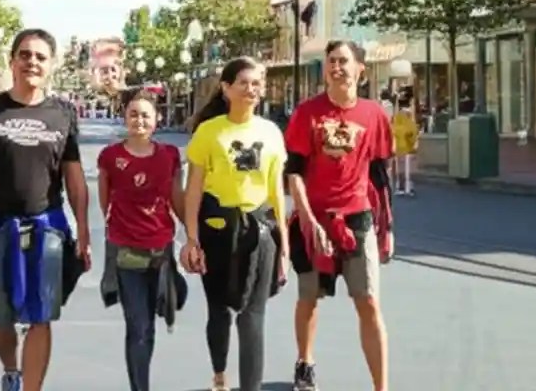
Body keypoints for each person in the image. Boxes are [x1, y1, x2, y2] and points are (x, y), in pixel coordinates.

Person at [0, 29, 91, 391]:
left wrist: (84, 232)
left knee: (41, 316)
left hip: (48, 224)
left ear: (51, 65)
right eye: (25, 54)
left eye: (40, 57)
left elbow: (75, 180)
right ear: (12, 60)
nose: (32, 62)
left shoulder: (63, 114)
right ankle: (11, 369)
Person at [284, 40, 394, 391]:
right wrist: (306, 219)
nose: (337, 68)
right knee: (310, 297)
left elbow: (379, 173)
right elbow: (294, 171)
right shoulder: (307, 113)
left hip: (357, 218)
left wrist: (386, 226)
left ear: (360, 68)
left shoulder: (374, 114)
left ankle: (381, 386)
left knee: (369, 301)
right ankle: (305, 362)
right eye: (331, 61)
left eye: (344, 61)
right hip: (313, 218)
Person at [182, 57, 289, 391]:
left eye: (256, 82)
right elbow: (194, 188)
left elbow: (276, 192)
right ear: (226, 88)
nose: (251, 89)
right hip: (217, 229)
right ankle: (219, 376)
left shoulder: (270, 132)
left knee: (253, 316)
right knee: (219, 310)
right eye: (243, 82)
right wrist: (191, 238)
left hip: (259, 231)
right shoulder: (209, 133)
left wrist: (284, 244)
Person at [97, 89, 187, 391]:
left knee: (154, 323)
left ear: (156, 119)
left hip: (161, 252)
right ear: (125, 117)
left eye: (146, 114)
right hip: (126, 253)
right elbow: (104, 202)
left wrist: (194, 237)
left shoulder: (170, 156)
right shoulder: (111, 156)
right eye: (133, 113)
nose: (139, 120)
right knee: (138, 327)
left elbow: (177, 199)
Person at [391, 95, 419, 196]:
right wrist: (414, 142)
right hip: (407, 147)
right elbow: (412, 132)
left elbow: (393, 131)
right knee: (408, 169)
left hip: (398, 147)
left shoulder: (396, 118)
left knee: (399, 168)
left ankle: (399, 187)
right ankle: (408, 188)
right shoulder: (409, 117)